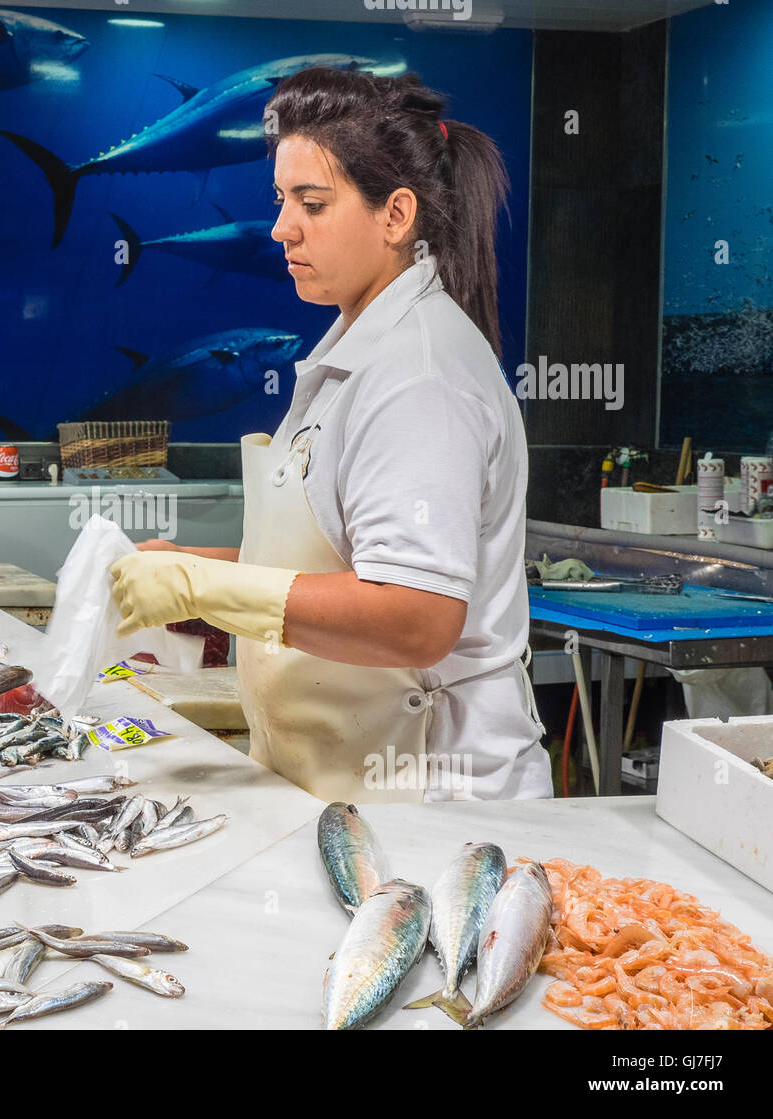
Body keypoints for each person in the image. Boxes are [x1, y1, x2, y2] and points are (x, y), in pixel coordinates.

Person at [109, 68, 551, 803]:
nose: (282, 227)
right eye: (281, 200)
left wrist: (214, 589)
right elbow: (338, 555)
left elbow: (415, 617)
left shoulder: (420, 377)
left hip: (430, 803)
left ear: (395, 214)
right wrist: (193, 564)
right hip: (351, 783)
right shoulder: (361, 344)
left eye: (311, 203)